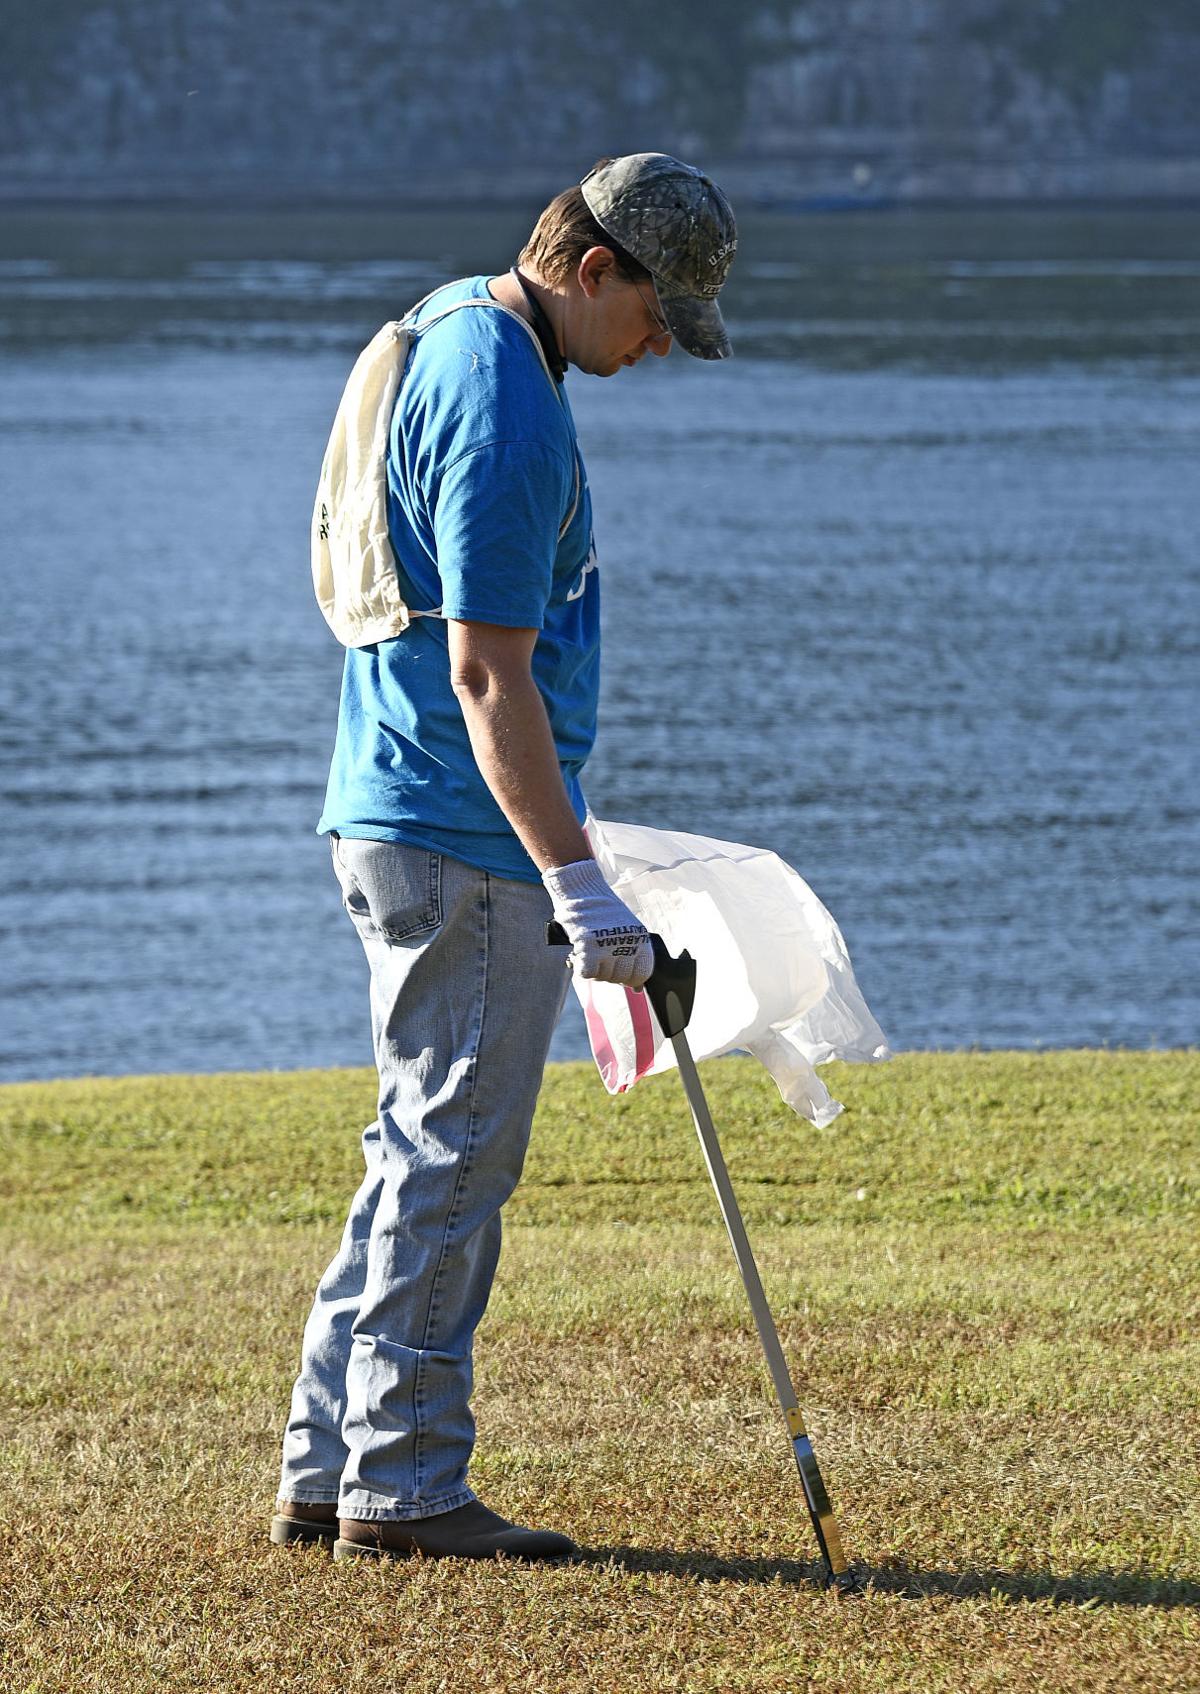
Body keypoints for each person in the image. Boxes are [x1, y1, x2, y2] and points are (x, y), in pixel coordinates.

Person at [272, 153, 737, 1563]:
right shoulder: (507, 401)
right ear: (597, 271)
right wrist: (580, 887)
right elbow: (487, 674)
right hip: (457, 834)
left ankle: (324, 1462)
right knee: (455, 1157)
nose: (657, 348)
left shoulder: (454, 324)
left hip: (401, 811)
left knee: (413, 1146)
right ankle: (403, 1486)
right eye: (658, 315)